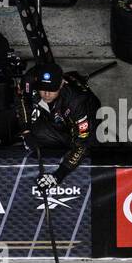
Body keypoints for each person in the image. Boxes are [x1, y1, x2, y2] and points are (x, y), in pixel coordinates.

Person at [19, 63, 101, 194]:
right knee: (36, 133)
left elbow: (83, 144)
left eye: (52, 89)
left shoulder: (76, 102)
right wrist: (26, 131)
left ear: (62, 84)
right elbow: (22, 100)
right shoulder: (29, 80)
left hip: (84, 117)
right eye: (43, 88)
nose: (46, 94)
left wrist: (58, 175)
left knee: (87, 146)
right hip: (56, 115)